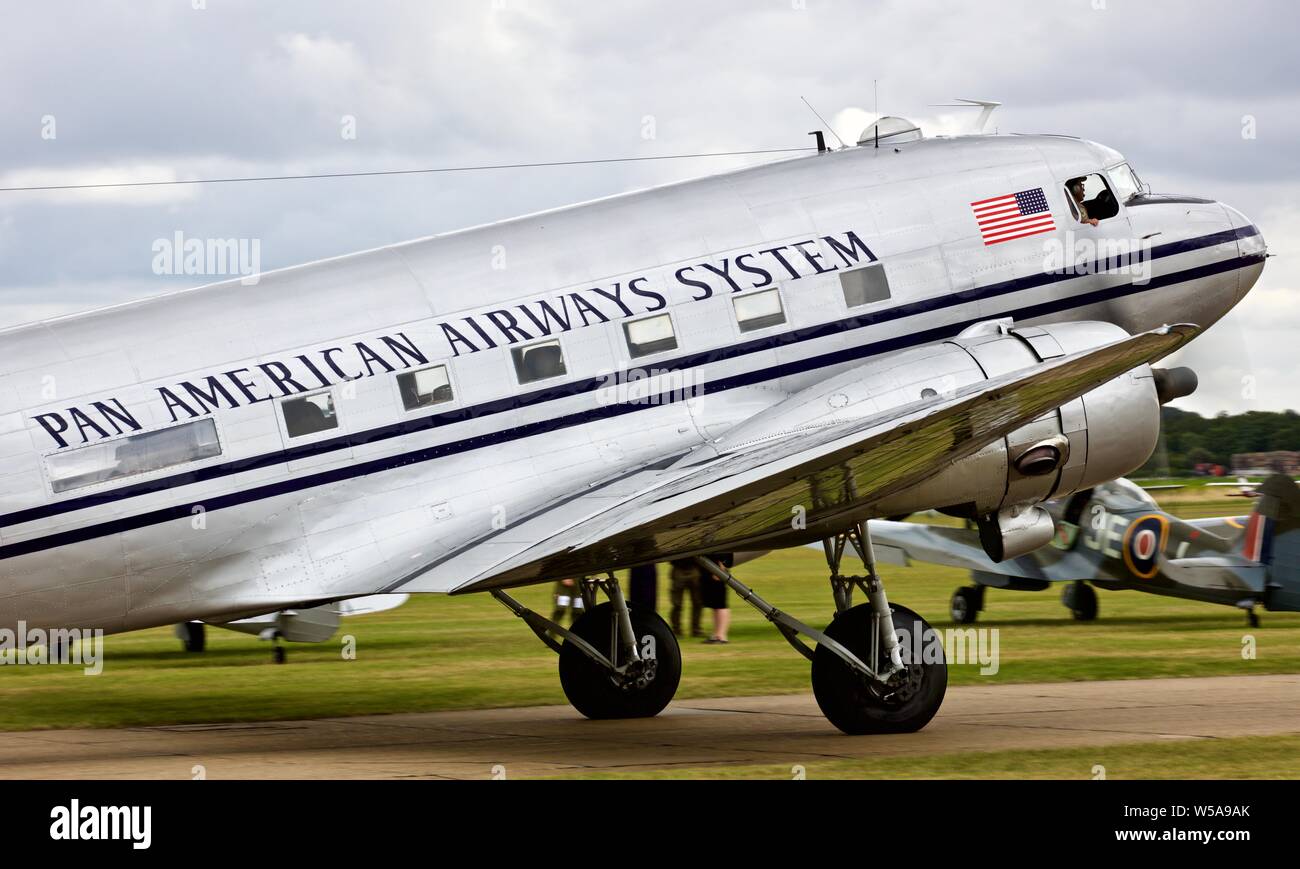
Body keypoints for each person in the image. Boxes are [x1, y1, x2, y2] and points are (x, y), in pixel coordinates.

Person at [698, 553, 733, 645]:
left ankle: (722, 636)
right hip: (710, 572)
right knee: (715, 606)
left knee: (721, 605)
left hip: (717, 572)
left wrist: (720, 570)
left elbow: (723, 555)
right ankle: (716, 634)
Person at [668, 559, 703, 638]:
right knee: (677, 604)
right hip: (678, 568)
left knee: (698, 602)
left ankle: (696, 629)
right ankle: (676, 630)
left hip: (694, 568)